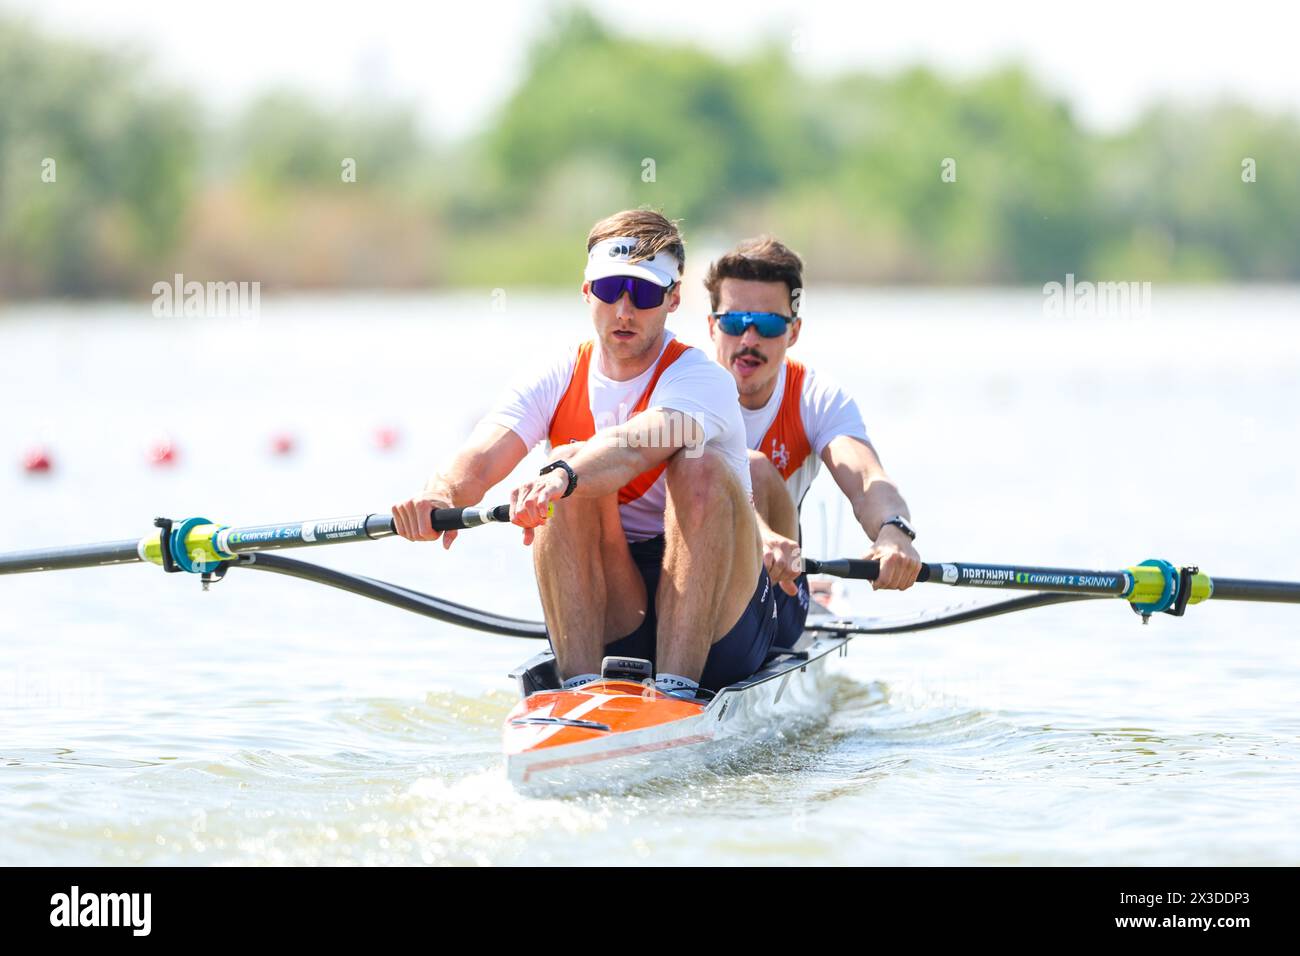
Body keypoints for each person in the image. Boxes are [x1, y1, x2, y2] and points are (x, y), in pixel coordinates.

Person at [392, 210, 776, 700]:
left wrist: (561, 475)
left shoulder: (702, 380)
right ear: (586, 291)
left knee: (684, 464)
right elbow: (483, 455)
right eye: (610, 288)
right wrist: (438, 494)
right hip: (619, 601)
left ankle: (678, 695)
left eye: (643, 294)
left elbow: (638, 443)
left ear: (673, 299)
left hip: (724, 614)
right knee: (568, 467)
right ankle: (578, 693)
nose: (623, 310)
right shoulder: (551, 375)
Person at [703, 236, 922, 645]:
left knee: (749, 464)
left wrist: (893, 531)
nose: (749, 340)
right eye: (734, 323)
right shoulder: (679, 389)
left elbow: (867, 478)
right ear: (712, 326)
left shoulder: (815, 398)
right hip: (686, 581)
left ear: (794, 331)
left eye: (768, 325)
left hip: (776, 592)